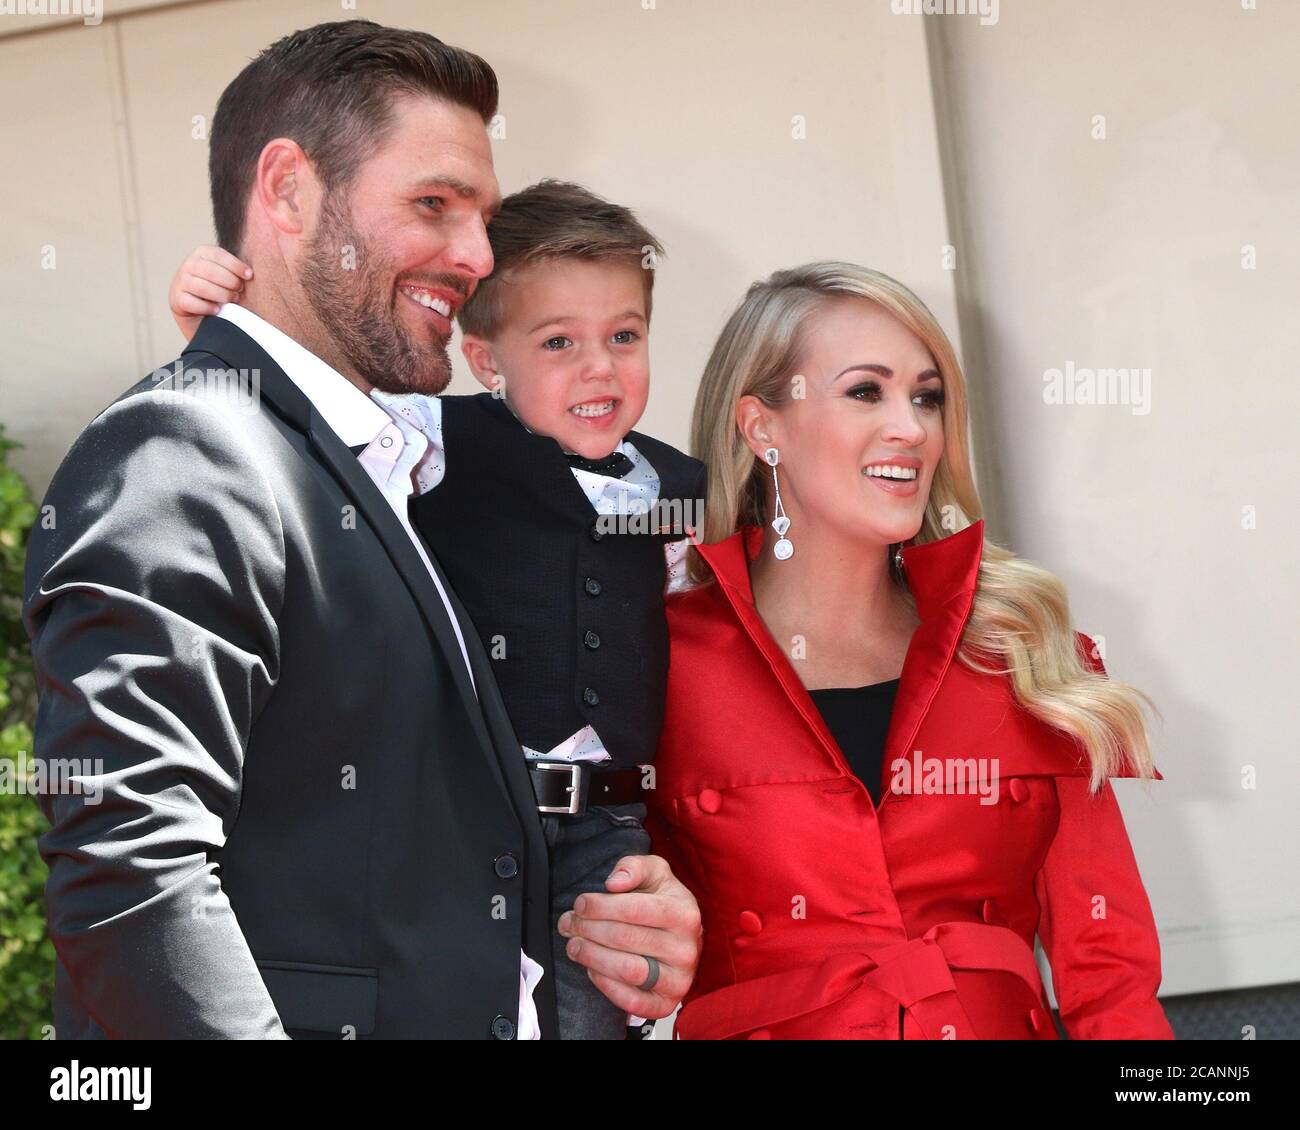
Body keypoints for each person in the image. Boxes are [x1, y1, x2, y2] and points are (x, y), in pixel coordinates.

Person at [23, 19, 699, 1040]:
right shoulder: (187, 447)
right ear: (289, 192)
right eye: (434, 205)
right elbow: (133, 873)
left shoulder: (396, 480)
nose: (476, 256)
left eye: (482, 217)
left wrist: (628, 922)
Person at [167, 178, 708, 1040]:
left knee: (596, 1011)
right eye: (559, 341)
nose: (600, 367)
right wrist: (224, 326)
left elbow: (711, 631)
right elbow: (296, 414)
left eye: (624, 336)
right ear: (488, 362)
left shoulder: (676, 485)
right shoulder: (435, 439)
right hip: (470, 807)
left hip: (609, 823)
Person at [635, 261, 1174, 1039]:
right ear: (762, 427)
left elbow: (1111, 976)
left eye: (927, 396)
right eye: (866, 391)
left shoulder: (1018, 644)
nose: (913, 428)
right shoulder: (657, 658)